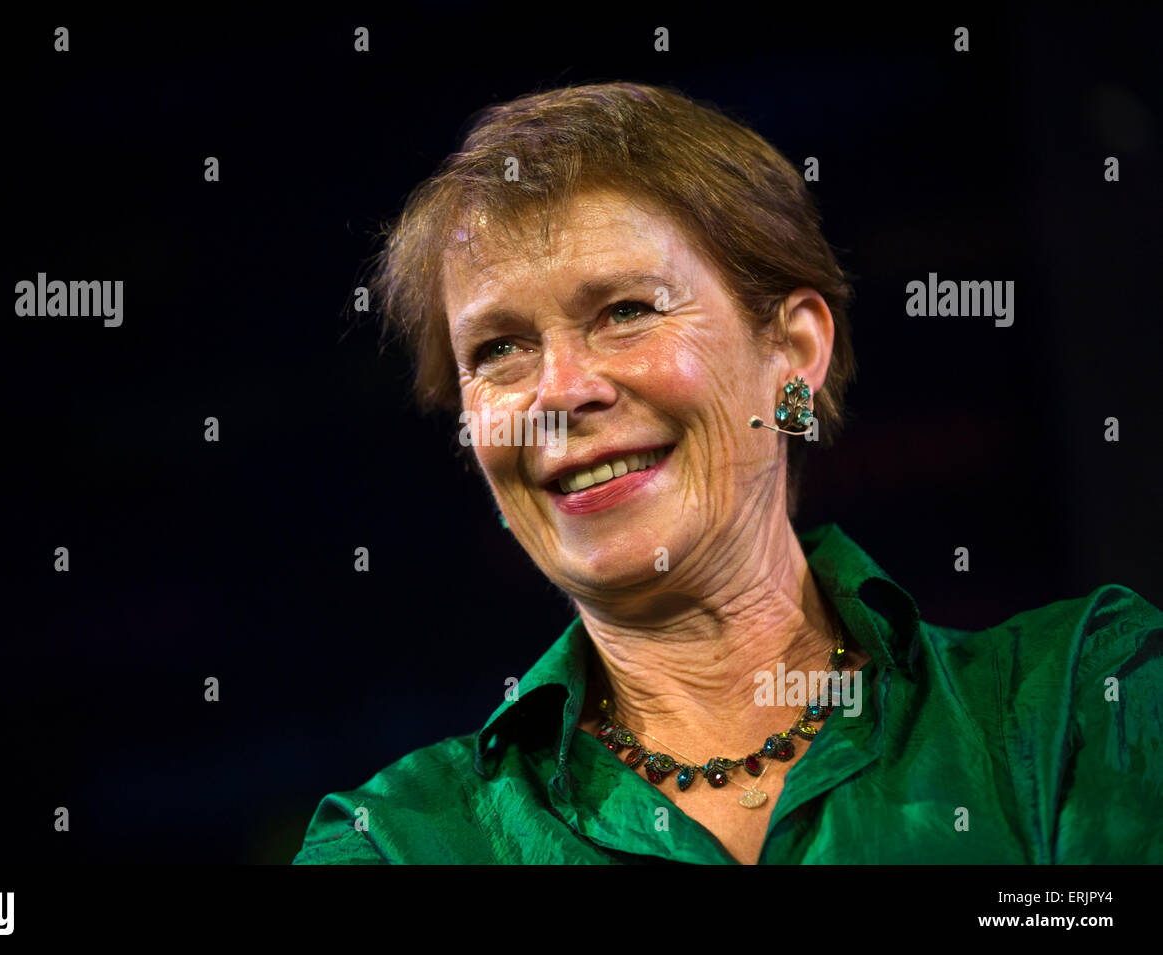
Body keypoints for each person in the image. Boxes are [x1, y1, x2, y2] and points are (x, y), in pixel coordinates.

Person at [294, 82, 1162, 865]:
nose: (557, 393)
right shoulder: (401, 843)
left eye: (626, 311)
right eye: (500, 350)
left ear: (792, 355)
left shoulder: (1083, 706)